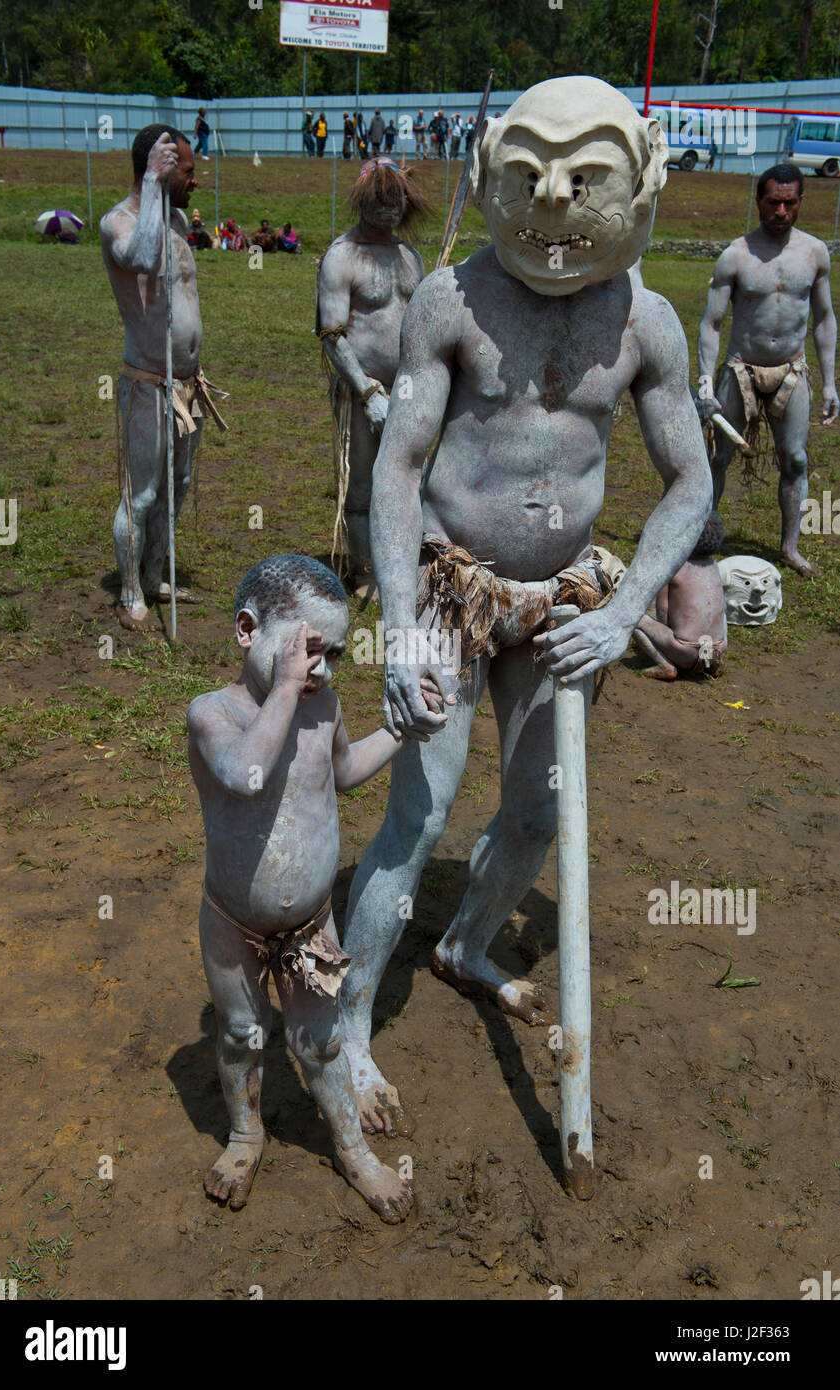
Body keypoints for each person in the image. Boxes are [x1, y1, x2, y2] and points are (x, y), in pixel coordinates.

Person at [338, 77, 713, 1136]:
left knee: (537, 809)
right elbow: (399, 469)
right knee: (416, 814)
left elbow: (688, 479)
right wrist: (403, 623)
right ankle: (347, 1028)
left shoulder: (646, 319)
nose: (556, 208)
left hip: (568, 606)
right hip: (455, 593)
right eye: (534, 179)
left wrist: (628, 603)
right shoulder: (448, 302)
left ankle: (462, 945)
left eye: (584, 179)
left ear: (634, 189)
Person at [188, 554, 414, 1222]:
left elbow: (342, 772)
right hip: (233, 922)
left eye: (335, 654)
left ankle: (351, 1150)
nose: (321, 670)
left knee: (320, 1041)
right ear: (246, 630)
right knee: (238, 1033)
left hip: (312, 923)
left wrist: (402, 730)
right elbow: (248, 774)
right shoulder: (213, 715)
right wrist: (286, 688)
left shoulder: (324, 708)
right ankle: (245, 1132)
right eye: (309, 651)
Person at [100, 126, 228, 631]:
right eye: (188, 170)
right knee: (144, 492)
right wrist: (152, 182)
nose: (196, 181)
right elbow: (141, 258)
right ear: (158, 167)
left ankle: (153, 576)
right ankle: (130, 592)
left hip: (186, 384)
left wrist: (161, 190)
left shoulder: (174, 218)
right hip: (148, 382)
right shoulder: (119, 223)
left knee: (178, 484)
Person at [697, 162, 838, 575]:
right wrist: (706, 379)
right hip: (740, 369)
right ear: (759, 201)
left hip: (791, 372)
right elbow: (711, 321)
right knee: (718, 458)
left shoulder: (814, 253)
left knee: (794, 459)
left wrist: (829, 384)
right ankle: (701, 535)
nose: (781, 212)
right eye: (773, 202)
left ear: (799, 203)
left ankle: (790, 547)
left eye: (790, 203)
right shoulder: (735, 256)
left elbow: (825, 319)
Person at [316, 158, 430, 600]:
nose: (390, 206)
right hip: (361, 390)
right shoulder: (342, 256)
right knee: (363, 483)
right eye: (381, 197)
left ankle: (400, 562)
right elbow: (332, 333)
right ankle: (364, 572)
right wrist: (366, 392)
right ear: (363, 199)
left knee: (407, 480)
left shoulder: (410, 257)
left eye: (397, 197)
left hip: (408, 390)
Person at [632, 511, 728, 678]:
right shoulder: (714, 566)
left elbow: (663, 612)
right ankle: (710, 664)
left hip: (686, 650)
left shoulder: (674, 568)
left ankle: (665, 665)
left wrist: (666, 641)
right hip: (717, 647)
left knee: (634, 619)